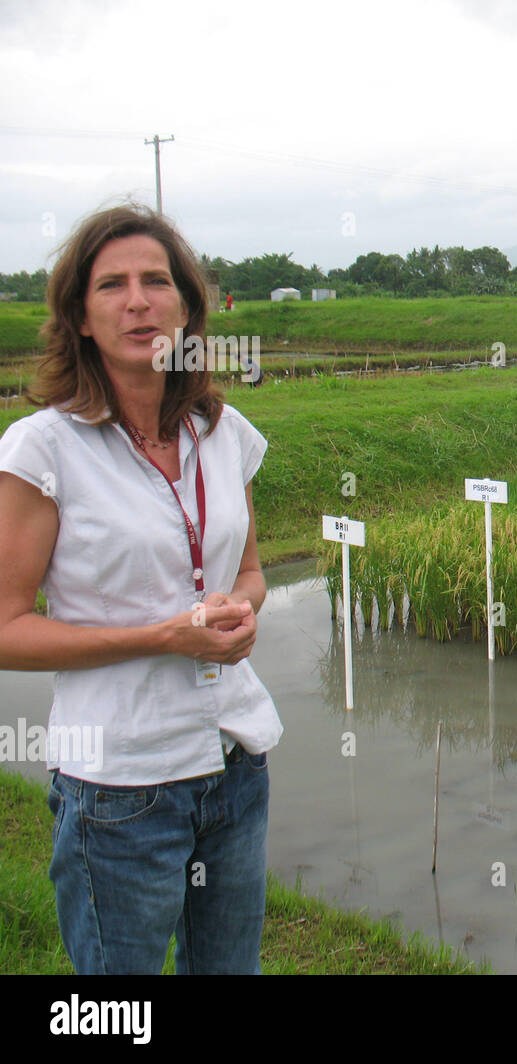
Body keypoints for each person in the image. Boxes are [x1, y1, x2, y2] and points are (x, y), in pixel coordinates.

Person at [0, 203, 282, 974]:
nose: (138, 301)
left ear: (188, 307)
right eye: (111, 285)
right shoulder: (43, 449)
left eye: (156, 281)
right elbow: (6, 628)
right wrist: (163, 637)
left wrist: (241, 610)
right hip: (121, 785)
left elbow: (251, 573)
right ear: (80, 318)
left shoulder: (222, 433)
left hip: (234, 760)